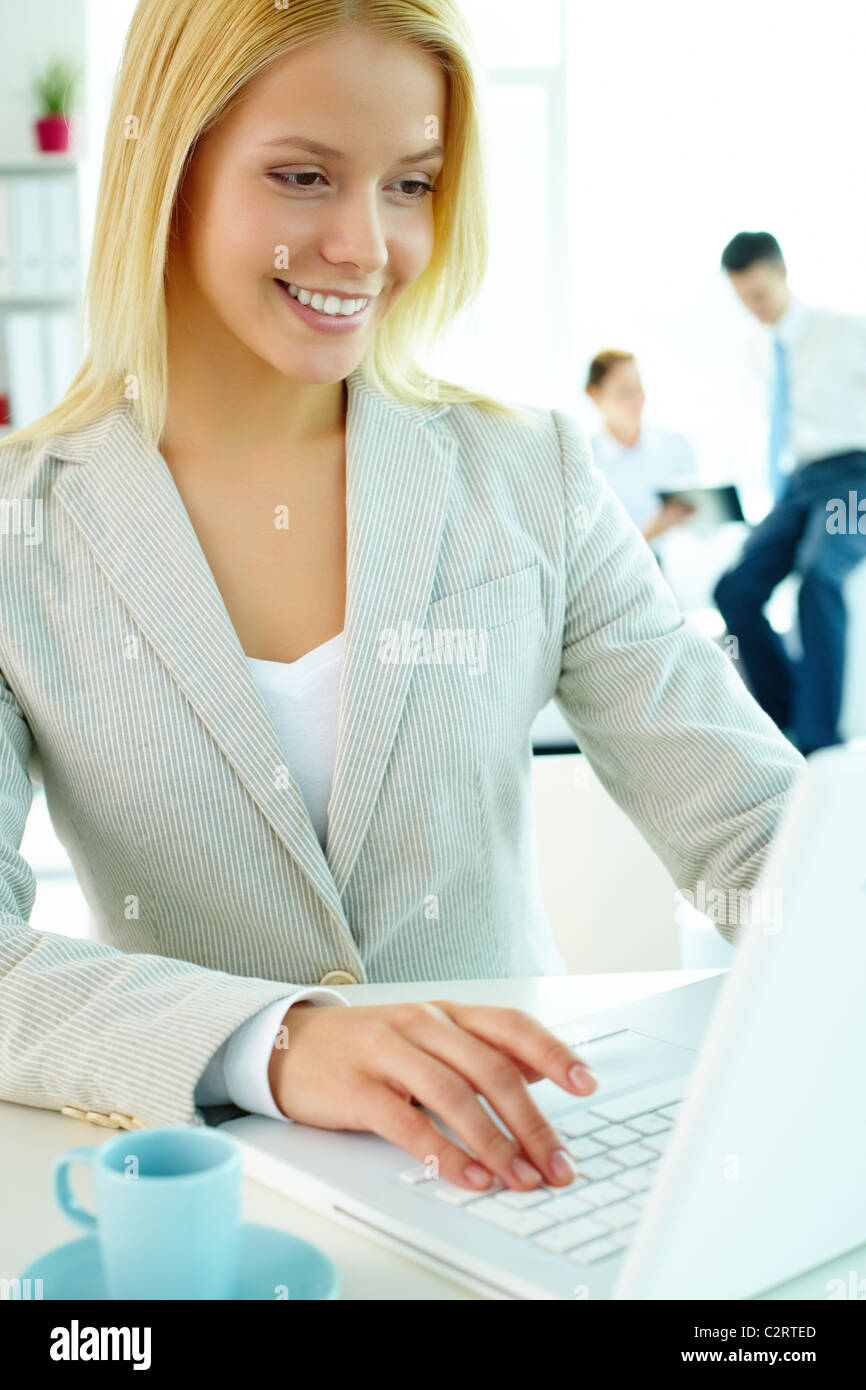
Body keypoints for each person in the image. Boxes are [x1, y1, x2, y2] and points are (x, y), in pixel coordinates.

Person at [0, 0, 804, 1200]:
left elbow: (751, 831)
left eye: (411, 185)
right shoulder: (28, 528)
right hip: (224, 1216)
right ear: (168, 166)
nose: (366, 247)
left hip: (535, 1187)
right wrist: (279, 1040)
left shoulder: (526, 473)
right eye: (303, 175)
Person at [714, 231, 866, 756]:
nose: (753, 308)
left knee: (820, 577)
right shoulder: (759, 348)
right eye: (742, 299)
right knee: (733, 590)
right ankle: (785, 727)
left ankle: (821, 742)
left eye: (759, 295)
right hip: (799, 485)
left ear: (782, 274)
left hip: (856, 477)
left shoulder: (843, 330)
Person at [585, 349, 696, 554]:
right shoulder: (587, 462)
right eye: (624, 391)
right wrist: (652, 530)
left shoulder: (675, 445)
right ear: (595, 395)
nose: (637, 400)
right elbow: (593, 552)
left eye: (639, 388)